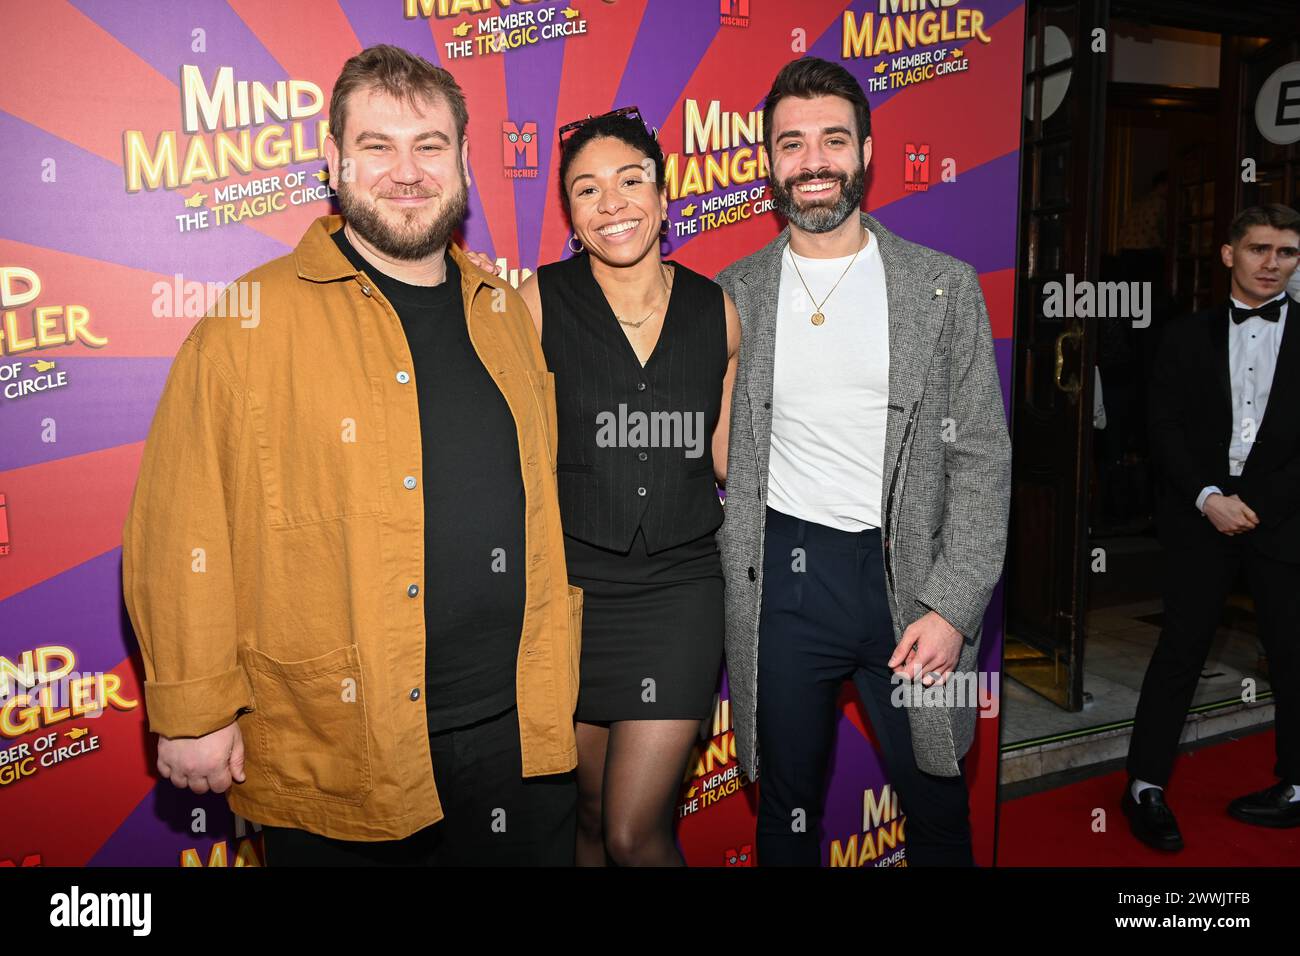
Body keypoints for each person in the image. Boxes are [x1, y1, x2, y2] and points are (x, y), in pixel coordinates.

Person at [122, 44, 582, 866]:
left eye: (429, 146)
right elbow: (179, 524)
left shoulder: (502, 310)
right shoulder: (247, 321)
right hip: (349, 753)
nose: (407, 172)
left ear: (464, 163)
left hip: (519, 737)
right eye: (378, 146)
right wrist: (193, 710)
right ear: (333, 161)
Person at [714, 57, 1011, 866]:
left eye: (833, 140)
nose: (813, 162)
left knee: (939, 803)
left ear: (867, 152)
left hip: (911, 582)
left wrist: (952, 608)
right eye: (792, 144)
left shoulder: (942, 288)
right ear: (768, 162)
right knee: (785, 808)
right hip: (785, 582)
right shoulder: (732, 292)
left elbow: (982, 458)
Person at [476, 108, 741, 865]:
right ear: (571, 215)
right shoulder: (535, 304)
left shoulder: (717, 310)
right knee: (588, 818)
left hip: (680, 590)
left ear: (664, 197)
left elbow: (727, 458)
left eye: (630, 182)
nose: (612, 203)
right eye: (587, 191)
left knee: (633, 830)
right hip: (573, 588)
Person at [1125, 203, 1300, 850]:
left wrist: (1256, 503)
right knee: (1180, 652)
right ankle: (1145, 785)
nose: (1271, 264)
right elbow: (1163, 425)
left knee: (1293, 654)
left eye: (1286, 252)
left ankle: (1295, 786)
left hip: (1283, 522)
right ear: (1229, 254)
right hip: (1201, 519)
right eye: (1259, 249)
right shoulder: (1184, 334)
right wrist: (1208, 497)